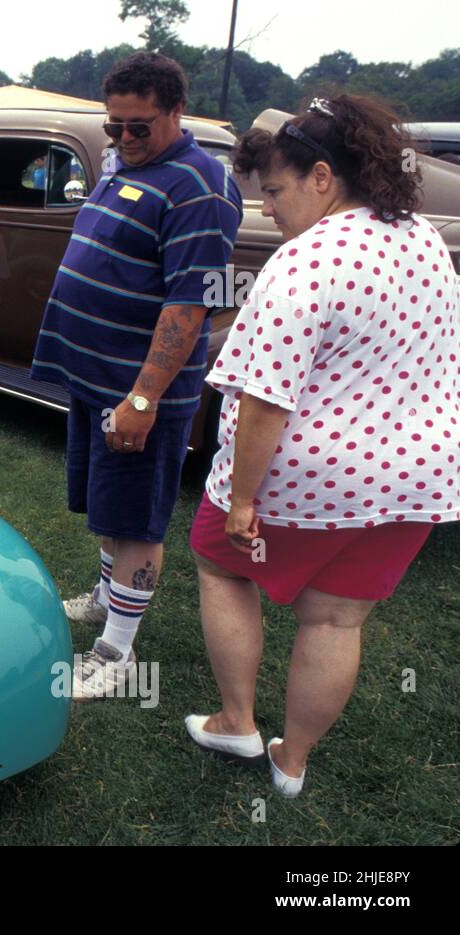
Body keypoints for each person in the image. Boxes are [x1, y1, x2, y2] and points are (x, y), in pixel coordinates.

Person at [183, 95, 458, 796]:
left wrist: (242, 499)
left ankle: (236, 720)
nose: (266, 206)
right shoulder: (423, 239)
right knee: (336, 616)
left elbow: (265, 398)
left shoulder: (305, 261)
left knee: (220, 566)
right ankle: (292, 763)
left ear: (323, 177)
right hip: (416, 475)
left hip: (304, 474)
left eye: (273, 189)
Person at [27, 51, 243, 698]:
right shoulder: (129, 164)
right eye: (112, 127)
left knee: (139, 523)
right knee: (107, 507)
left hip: (140, 391)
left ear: (178, 113)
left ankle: (116, 650)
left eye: (138, 126)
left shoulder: (200, 189)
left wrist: (145, 398)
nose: (122, 140)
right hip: (99, 379)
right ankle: (105, 595)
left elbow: (189, 303)